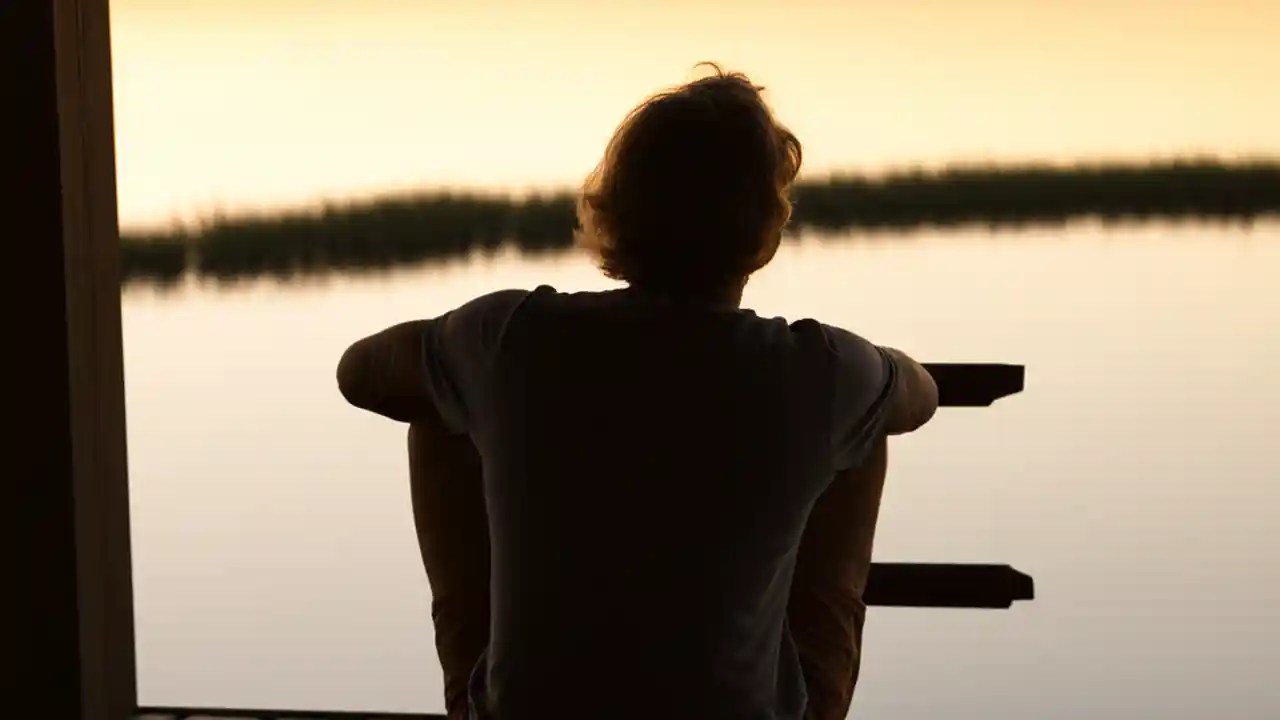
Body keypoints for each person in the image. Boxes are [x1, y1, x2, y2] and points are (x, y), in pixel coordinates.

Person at [337, 64, 939, 720]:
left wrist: (464, 368)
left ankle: (475, 692)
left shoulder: (512, 339)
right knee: (865, 423)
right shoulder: (817, 370)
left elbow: (359, 373)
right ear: (765, 229)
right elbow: (920, 395)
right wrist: (875, 371)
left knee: (437, 397)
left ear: (617, 207)